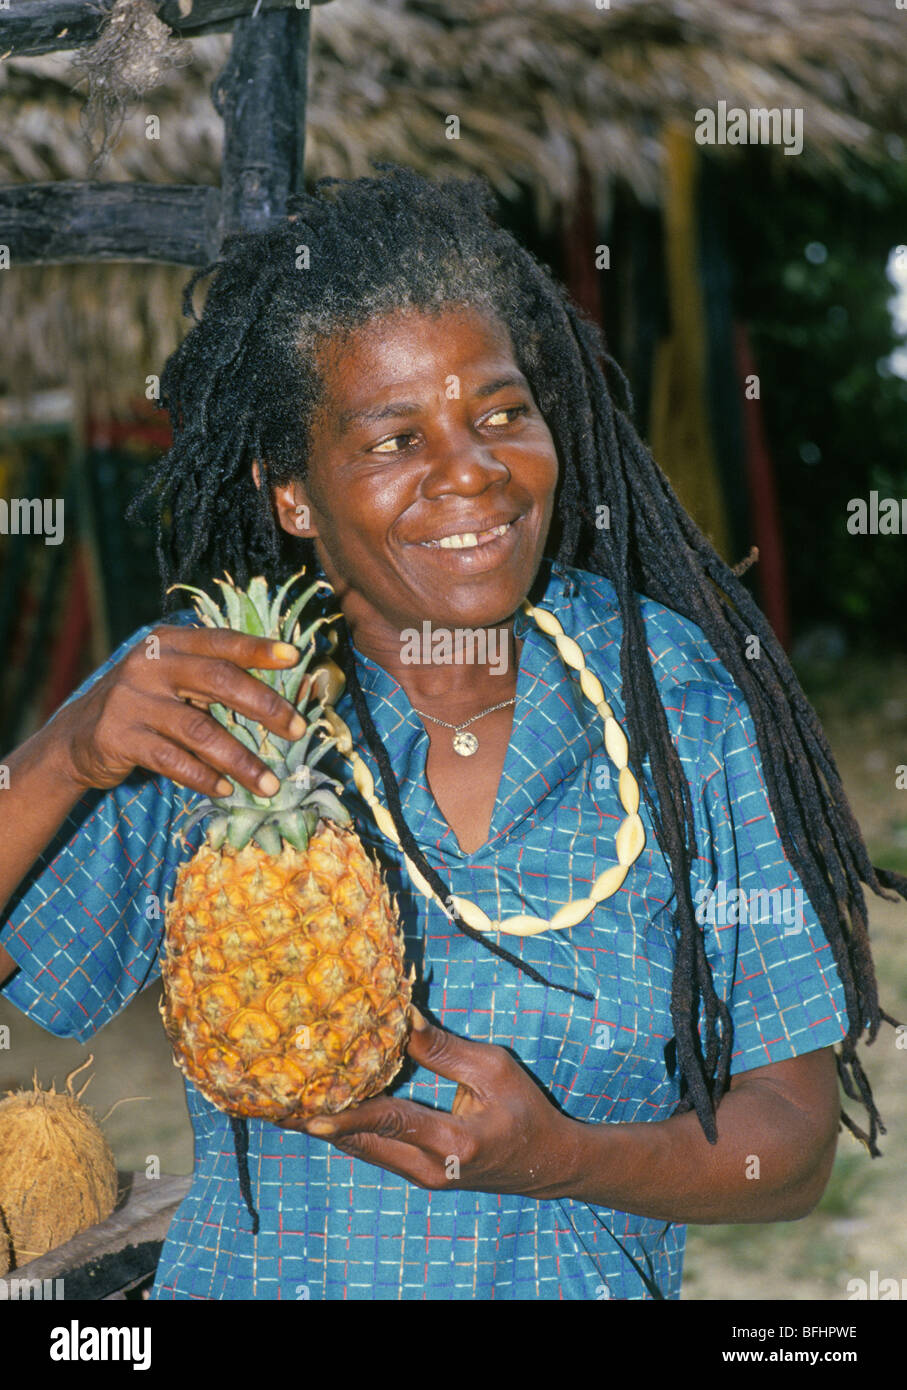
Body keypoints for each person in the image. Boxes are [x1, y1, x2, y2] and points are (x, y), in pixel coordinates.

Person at [0, 167, 902, 1301]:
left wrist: (563, 1158)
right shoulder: (210, 702)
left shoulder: (679, 701)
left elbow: (790, 1146)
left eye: (499, 413)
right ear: (291, 492)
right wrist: (59, 757)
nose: (469, 469)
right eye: (392, 439)